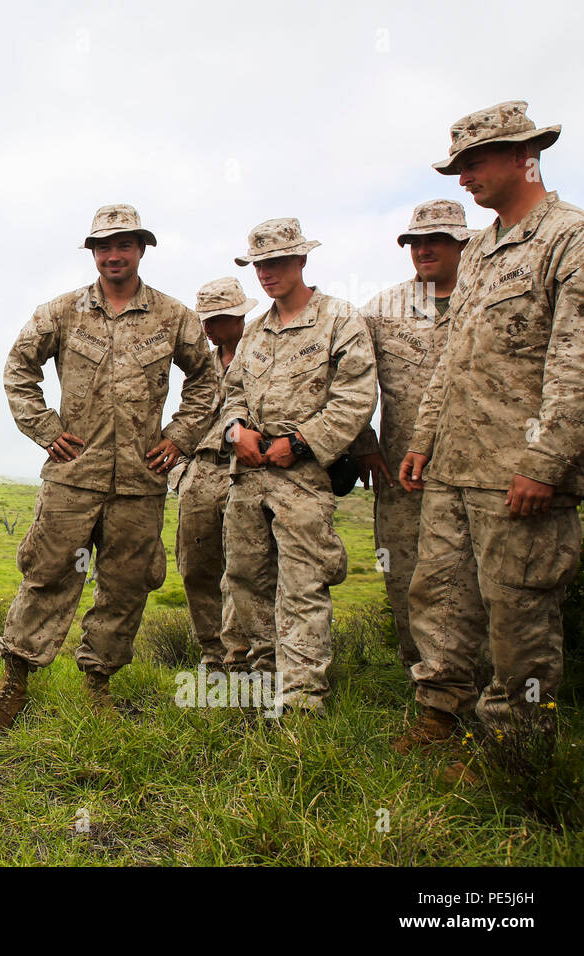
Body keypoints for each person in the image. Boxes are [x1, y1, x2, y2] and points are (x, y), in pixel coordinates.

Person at [394, 102, 584, 780]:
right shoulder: (478, 255)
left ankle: (514, 752)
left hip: (519, 473)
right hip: (455, 466)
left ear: (521, 156)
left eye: (474, 161)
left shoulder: (569, 238)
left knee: (519, 614)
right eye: (458, 165)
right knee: (439, 597)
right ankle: (440, 717)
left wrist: (548, 460)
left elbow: (576, 359)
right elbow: (452, 358)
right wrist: (424, 439)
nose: (464, 176)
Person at [0, 204, 217, 735]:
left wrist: (178, 438)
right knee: (47, 575)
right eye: (103, 246)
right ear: (92, 252)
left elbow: (207, 380)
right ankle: (12, 687)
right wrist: (46, 429)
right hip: (72, 477)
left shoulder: (174, 317)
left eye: (124, 245)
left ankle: (98, 685)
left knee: (126, 586)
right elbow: (18, 370)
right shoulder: (61, 312)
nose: (114, 254)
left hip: (140, 482)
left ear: (141, 249)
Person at [220, 218, 377, 715]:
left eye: (277, 262)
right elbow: (231, 393)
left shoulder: (340, 320)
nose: (266, 274)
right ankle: (263, 683)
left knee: (303, 587)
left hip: (303, 481)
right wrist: (235, 430)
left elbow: (355, 399)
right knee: (246, 581)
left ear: (302, 260)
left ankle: (303, 702)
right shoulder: (252, 333)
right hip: (247, 481)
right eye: (259, 265)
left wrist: (303, 443)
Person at [351, 200, 470, 677]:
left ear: (462, 241)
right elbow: (348, 380)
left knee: (479, 578)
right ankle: (420, 677)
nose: (424, 249)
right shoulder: (382, 310)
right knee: (404, 572)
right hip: (404, 474)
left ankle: (481, 683)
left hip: (483, 467)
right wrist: (364, 443)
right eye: (415, 242)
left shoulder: (487, 298)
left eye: (436, 239)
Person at [175, 277, 274, 674]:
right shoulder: (201, 366)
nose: (209, 328)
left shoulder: (265, 352)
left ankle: (248, 659)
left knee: (245, 571)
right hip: (199, 473)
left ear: (240, 316)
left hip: (245, 471)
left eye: (217, 319)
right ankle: (212, 657)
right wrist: (181, 472)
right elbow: (187, 416)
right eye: (205, 321)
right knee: (196, 568)